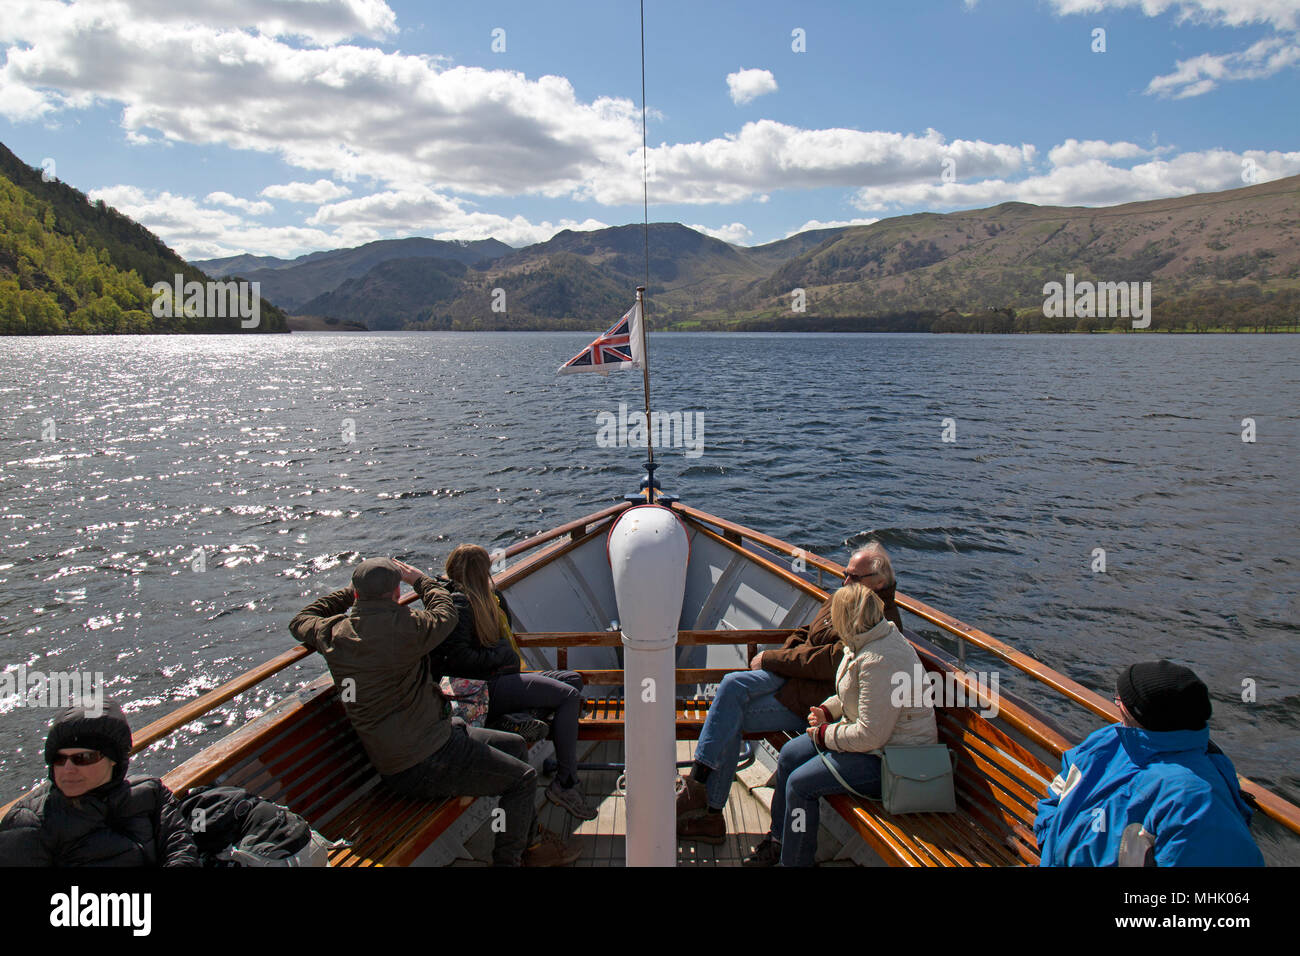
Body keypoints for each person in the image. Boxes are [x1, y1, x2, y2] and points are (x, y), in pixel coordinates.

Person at [289, 556, 579, 866]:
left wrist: (351, 593)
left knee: (516, 745)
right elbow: (446, 612)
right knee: (522, 779)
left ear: (358, 594)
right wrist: (419, 579)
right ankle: (509, 860)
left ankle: (528, 842)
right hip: (426, 760)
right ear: (396, 594)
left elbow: (301, 619)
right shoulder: (409, 627)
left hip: (421, 744)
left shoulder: (333, 633)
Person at [677, 543, 903, 847]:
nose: (844, 582)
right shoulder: (845, 597)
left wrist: (773, 660)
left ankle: (711, 813)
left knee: (731, 716)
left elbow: (829, 662)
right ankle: (699, 780)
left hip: (811, 699)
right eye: (843, 574)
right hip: (791, 674)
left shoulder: (880, 620)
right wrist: (787, 657)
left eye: (853, 577)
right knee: (732, 685)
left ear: (877, 582)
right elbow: (805, 632)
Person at [751, 581, 937, 867]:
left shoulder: (881, 659)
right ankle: (779, 840)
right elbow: (851, 691)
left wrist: (826, 734)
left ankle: (795, 861)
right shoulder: (864, 639)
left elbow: (870, 735)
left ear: (847, 620)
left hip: (893, 762)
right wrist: (828, 709)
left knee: (801, 786)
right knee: (789, 756)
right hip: (870, 746)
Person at [1035, 660, 1264, 867]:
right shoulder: (1110, 740)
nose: (1116, 703)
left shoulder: (1194, 798)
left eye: (1119, 698)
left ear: (1138, 714)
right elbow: (1058, 791)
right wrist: (1049, 839)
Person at [436, 544, 596, 820]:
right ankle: (566, 783)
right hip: (486, 688)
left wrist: (502, 658)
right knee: (568, 696)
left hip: (501, 678)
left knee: (572, 680)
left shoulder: (490, 599)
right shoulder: (460, 605)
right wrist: (501, 657)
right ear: (479, 572)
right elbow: (457, 658)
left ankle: (519, 718)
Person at [0, 701, 198, 866]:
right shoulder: (30, 822)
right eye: (59, 759)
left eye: (83, 757)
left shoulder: (150, 793)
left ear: (114, 760)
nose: (68, 768)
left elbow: (179, 845)